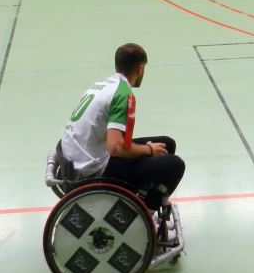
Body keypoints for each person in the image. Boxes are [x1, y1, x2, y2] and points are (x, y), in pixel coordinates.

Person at [59, 43, 185, 214]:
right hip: (92, 170)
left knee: (166, 144)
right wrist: (147, 149)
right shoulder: (123, 94)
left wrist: (146, 150)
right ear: (140, 69)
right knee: (174, 165)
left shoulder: (102, 85)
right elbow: (116, 147)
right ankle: (143, 218)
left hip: (77, 158)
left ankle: (144, 198)